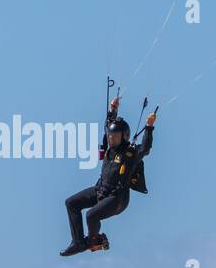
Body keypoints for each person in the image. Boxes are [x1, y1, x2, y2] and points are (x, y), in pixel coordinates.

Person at [60, 95, 156, 256]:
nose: (111, 139)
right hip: (100, 190)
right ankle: (78, 242)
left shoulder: (130, 153)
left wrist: (149, 127)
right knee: (71, 203)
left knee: (91, 216)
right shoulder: (109, 147)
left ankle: (94, 241)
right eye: (110, 136)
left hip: (117, 199)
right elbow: (108, 125)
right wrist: (113, 108)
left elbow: (145, 148)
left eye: (115, 136)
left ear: (124, 136)